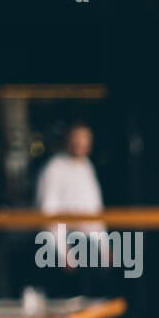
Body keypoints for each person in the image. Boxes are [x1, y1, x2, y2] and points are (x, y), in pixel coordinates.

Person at [35, 122, 106, 293]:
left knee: (96, 300)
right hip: (67, 244)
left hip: (89, 242)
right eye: (77, 139)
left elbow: (95, 208)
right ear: (68, 141)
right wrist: (63, 252)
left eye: (85, 139)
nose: (81, 143)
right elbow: (47, 214)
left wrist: (104, 246)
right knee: (71, 301)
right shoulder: (53, 169)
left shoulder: (86, 166)